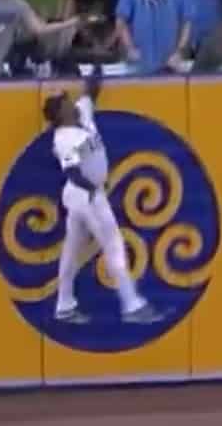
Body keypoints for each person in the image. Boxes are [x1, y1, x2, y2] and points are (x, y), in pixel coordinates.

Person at [42, 65, 162, 326]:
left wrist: (97, 62)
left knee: (72, 251)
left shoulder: (82, 113)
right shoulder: (63, 137)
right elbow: (72, 171)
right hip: (84, 194)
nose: (70, 101)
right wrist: (92, 193)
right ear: (59, 114)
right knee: (112, 243)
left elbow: (90, 90)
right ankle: (132, 305)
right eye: (64, 102)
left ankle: (64, 305)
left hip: (87, 194)